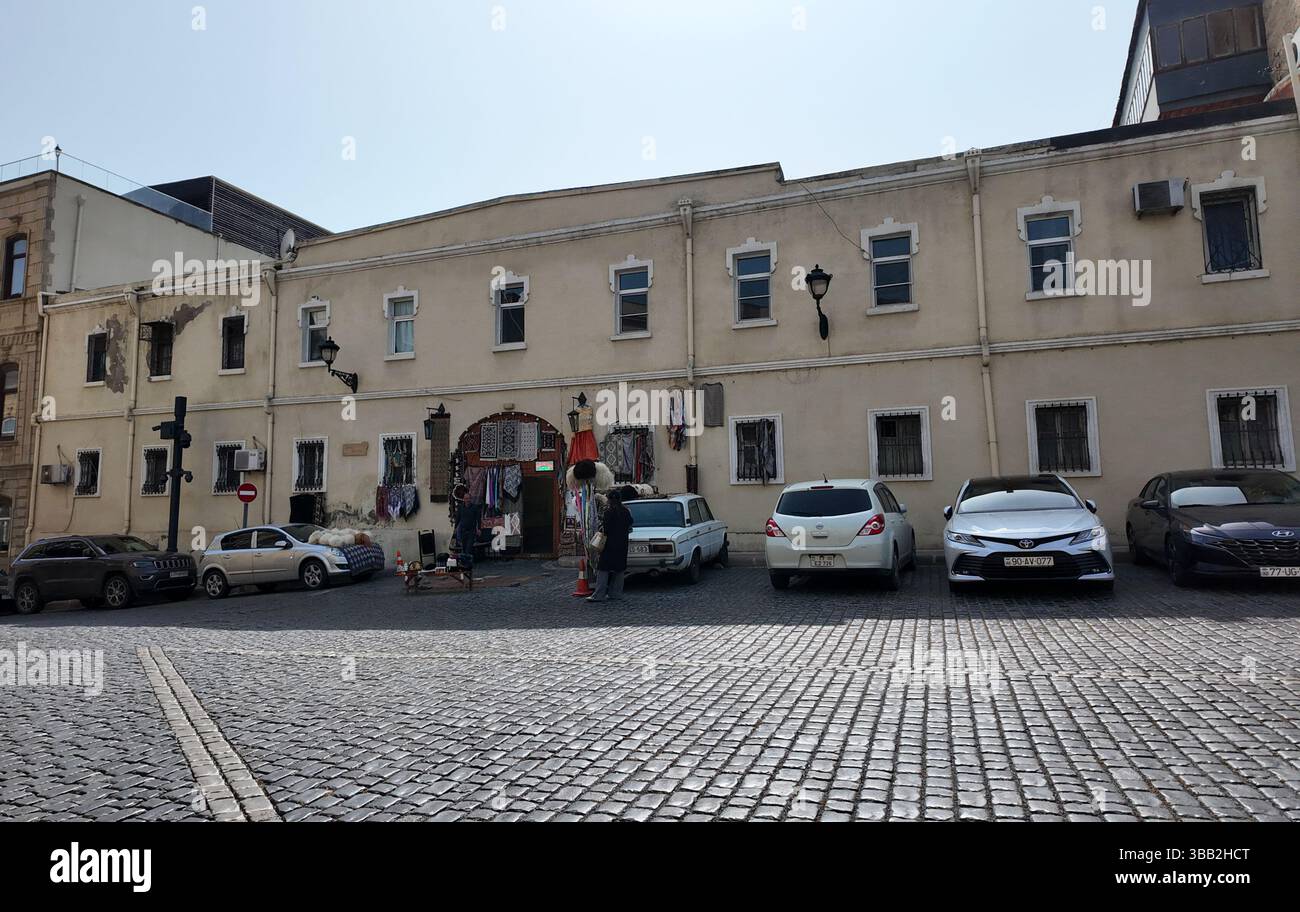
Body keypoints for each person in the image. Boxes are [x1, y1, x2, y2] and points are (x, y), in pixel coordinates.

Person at [588, 489, 632, 603]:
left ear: (609, 500)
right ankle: (616, 593)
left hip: (609, 544)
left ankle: (599, 594)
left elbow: (606, 529)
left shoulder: (608, 512)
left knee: (603, 569)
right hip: (622, 544)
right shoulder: (625, 511)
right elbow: (630, 523)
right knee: (619, 569)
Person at [452, 483, 481, 570]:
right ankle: (465, 565)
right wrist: (455, 529)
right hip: (463, 531)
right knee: (464, 548)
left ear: (470, 499)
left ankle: (468, 566)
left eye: (468, 498)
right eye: (466, 499)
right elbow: (458, 519)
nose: (467, 500)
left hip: (471, 531)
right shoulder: (460, 508)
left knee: (469, 548)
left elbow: (478, 519)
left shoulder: (474, 507)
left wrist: (479, 528)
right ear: (463, 499)